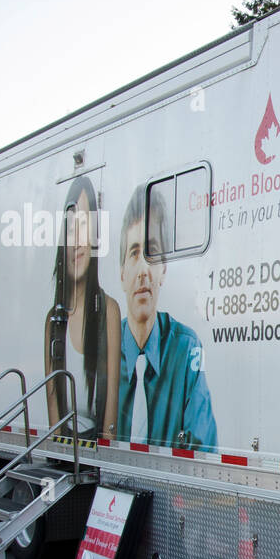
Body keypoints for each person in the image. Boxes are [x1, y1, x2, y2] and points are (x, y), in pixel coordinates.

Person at [115, 186, 218, 449]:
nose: (143, 270)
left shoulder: (186, 349)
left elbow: (201, 447)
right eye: (135, 253)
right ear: (122, 272)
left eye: (153, 253)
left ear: (164, 270)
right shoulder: (105, 351)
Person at [44, 176, 120, 438]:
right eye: (71, 228)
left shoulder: (109, 311)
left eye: (85, 226)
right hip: (65, 448)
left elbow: (111, 414)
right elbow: (53, 408)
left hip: (96, 448)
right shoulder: (54, 321)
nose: (77, 241)